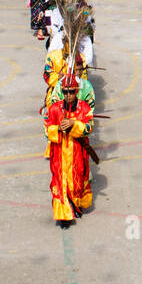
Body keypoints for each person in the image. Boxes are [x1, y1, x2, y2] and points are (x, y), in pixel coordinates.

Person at [45, 73, 94, 228]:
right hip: (59, 153)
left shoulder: (84, 108)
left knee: (77, 179)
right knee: (60, 182)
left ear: (77, 91)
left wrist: (75, 124)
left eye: (71, 91)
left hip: (77, 152)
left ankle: (75, 205)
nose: (68, 95)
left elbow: (89, 127)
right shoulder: (54, 109)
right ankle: (63, 216)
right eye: (65, 91)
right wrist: (58, 128)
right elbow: (47, 130)